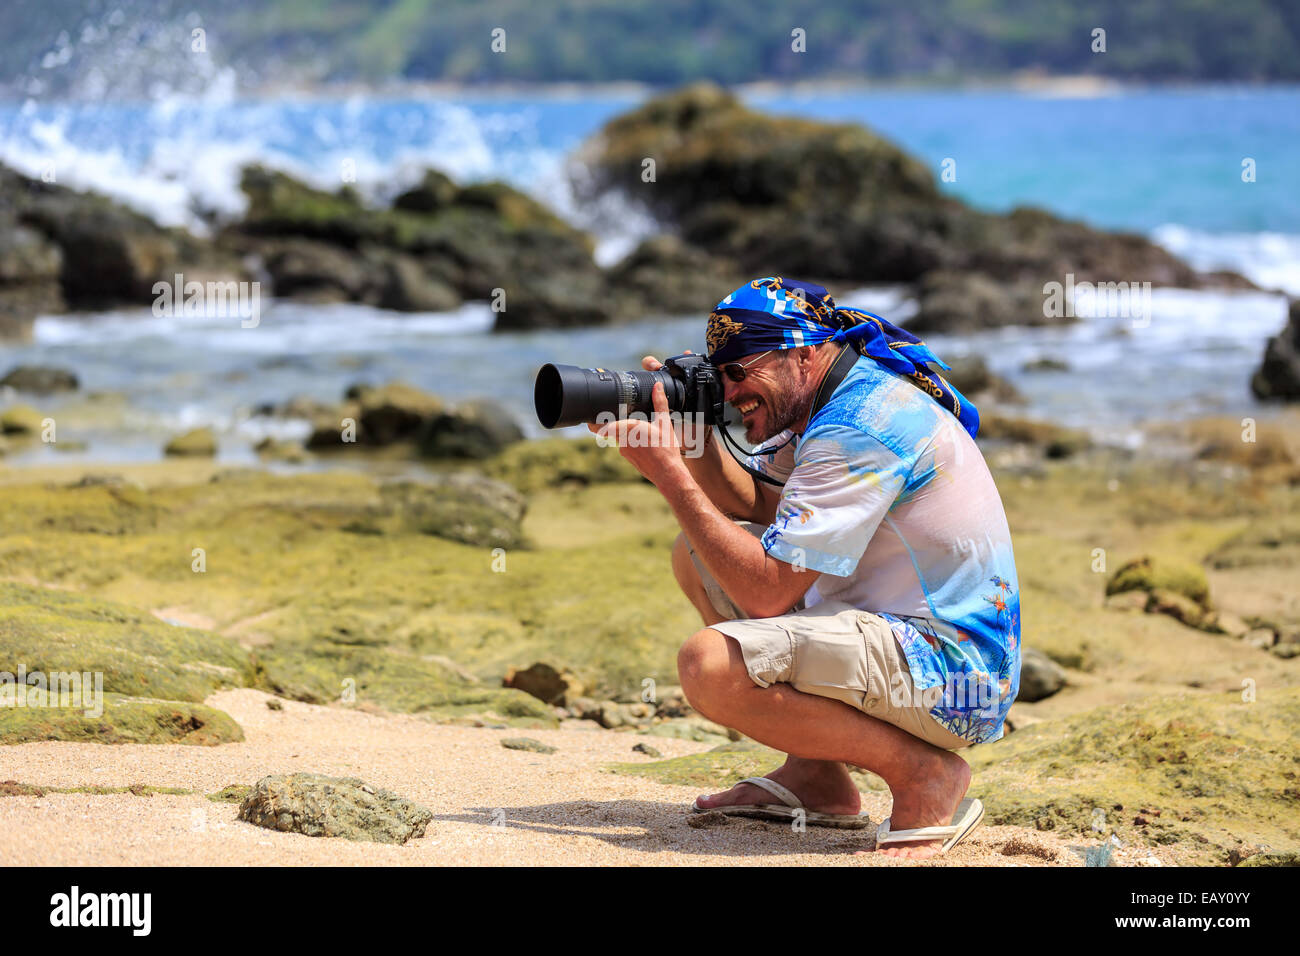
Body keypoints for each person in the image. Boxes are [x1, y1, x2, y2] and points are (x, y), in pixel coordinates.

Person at [591, 277, 1020, 858]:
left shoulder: (857, 426)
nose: (729, 388)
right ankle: (816, 778)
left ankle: (926, 776)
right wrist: (692, 440)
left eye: (740, 370)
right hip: (900, 638)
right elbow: (757, 504)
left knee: (710, 665)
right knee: (697, 554)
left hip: (959, 681)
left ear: (803, 352)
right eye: (719, 375)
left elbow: (766, 592)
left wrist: (669, 476)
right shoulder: (831, 399)